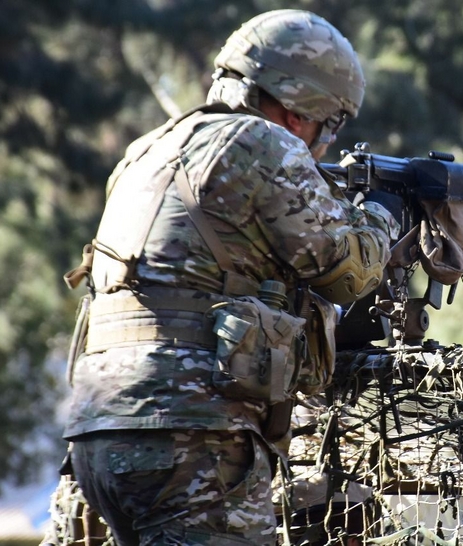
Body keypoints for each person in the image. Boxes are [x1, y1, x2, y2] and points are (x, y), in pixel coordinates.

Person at [58, 9, 398, 546]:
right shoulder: (265, 143)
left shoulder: (146, 150)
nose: (326, 142)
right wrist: (383, 213)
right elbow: (348, 275)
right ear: (298, 111)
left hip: (96, 429)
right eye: (330, 124)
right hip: (191, 434)